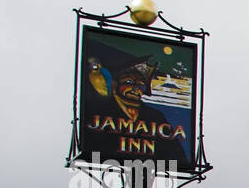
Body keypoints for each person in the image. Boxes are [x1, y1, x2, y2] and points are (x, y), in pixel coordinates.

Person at [79, 39, 191, 167]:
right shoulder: (99, 110)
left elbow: (178, 156)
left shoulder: (155, 116)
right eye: (128, 83)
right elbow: (92, 143)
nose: (136, 89)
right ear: (115, 85)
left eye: (141, 85)